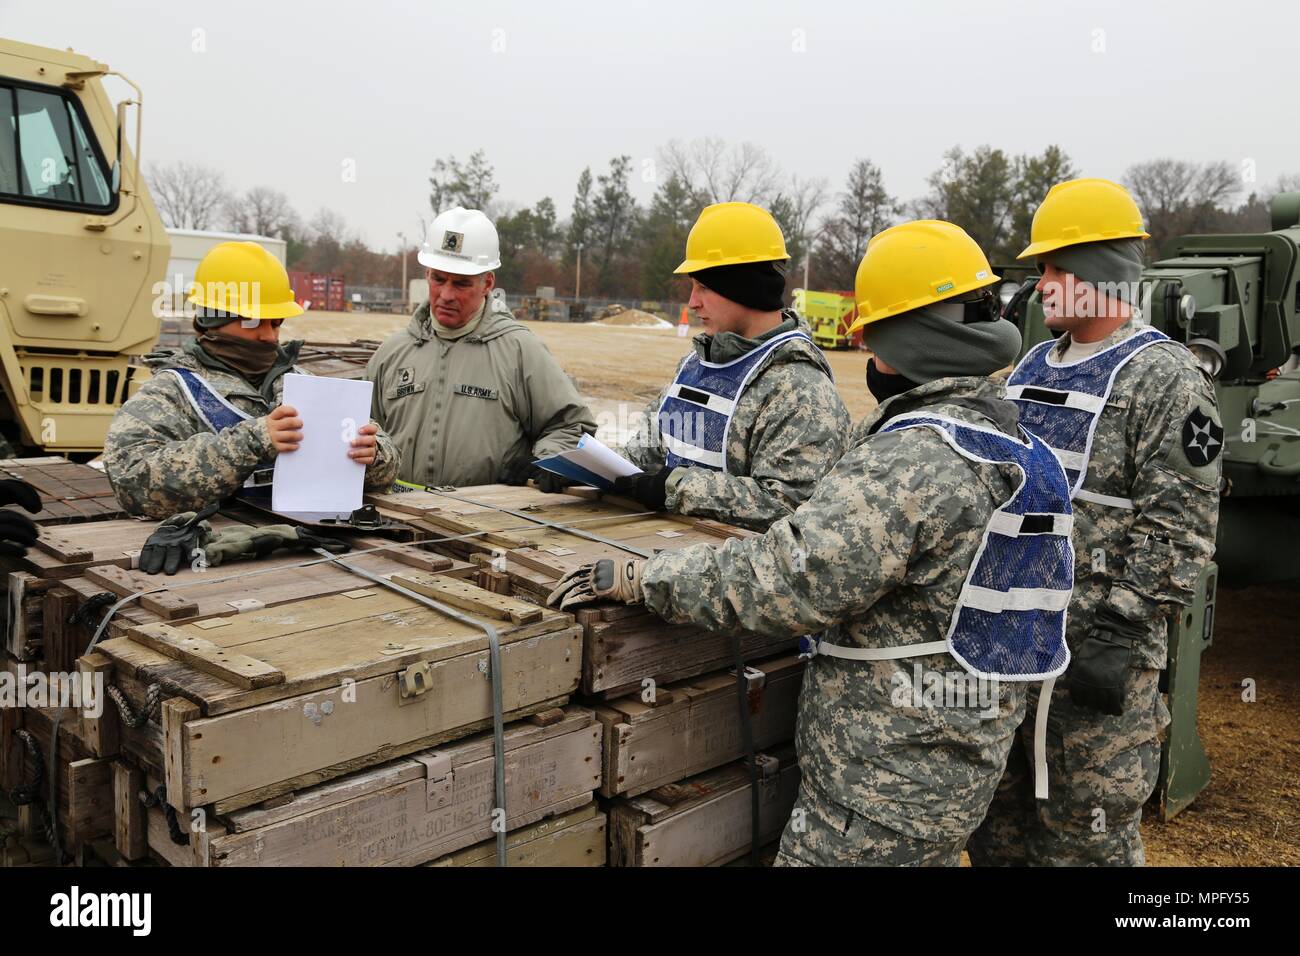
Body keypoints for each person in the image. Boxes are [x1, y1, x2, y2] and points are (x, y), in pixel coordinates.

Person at [550, 221, 1075, 865]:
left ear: (912, 341)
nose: (868, 356)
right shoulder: (1017, 444)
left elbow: (786, 578)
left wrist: (640, 579)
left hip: (883, 782)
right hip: (949, 757)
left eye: (875, 340)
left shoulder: (913, 460)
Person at [967, 178, 1224, 867]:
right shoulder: (1029, 365)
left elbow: (1182, 528)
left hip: (1096, 663)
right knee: (1001, 831)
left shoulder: (1165, 378)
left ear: (1100, 271)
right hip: (1013, 648)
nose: (1041, 282)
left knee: (1088, 840)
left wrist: (1116, 631)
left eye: (1054, 267)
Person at [104, 241, 399, 520]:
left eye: (275, 322)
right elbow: (132, 484)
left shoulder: (302, 384)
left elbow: (389, 464)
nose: (269, 336)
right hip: (217, 560)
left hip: (309, 553)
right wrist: (251, 442)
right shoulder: (171, 394)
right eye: (254, 320)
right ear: (213, 317)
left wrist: (374, 456)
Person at [612, 202, 849, 531]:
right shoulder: (697, 364)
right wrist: (587, 468)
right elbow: (648, 452)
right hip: (665, 554)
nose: (692, 302)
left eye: (704, 287)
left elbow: (788, 506)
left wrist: (675, 487)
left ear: (744, 288)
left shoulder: (801, 390)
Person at [365, 206, 595, 491]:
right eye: (439, 279)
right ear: (427, 274)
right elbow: (361, 428)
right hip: (397, 518)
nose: (446, 295)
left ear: (487, 283)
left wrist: (542, 461)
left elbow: (572, 426)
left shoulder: (520, 351)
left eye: (461, 283)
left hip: (481, 524)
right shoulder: (392, 353)